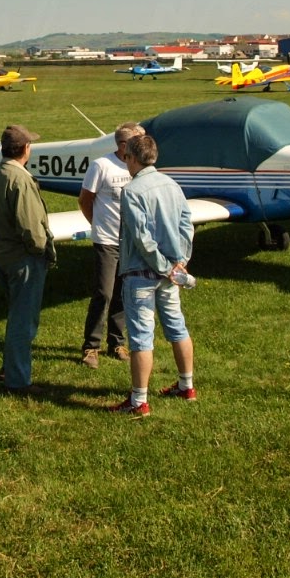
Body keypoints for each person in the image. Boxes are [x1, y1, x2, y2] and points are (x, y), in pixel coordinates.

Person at [110, 134, 196, 418]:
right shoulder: (172, 184)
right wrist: (180, 261)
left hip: (142, 275)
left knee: (141, 338)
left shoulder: (133, 191)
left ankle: (138, 401)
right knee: (177, 327)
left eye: (127, 158)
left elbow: (141, 238)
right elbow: (187, 223)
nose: (126, 163)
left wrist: (164, 266)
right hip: (171, 273)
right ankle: (186, 386)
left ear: (132, 159)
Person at [0, 125, 56, 392]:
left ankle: (9, 369)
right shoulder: (19, 179)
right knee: (23, 322)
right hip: (23, 260)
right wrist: (40, 252)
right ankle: (19, 381)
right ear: (24, 149)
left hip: (1, 255)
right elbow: (32, 229)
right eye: (30, 144)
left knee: (16, 316)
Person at [77, 121, 145, 368]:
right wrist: (97, 225)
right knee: (103, 293)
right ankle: (90, 347)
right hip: (106, 240)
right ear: (125, 144)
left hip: (131, 242)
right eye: (139, 139)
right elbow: (85, 200)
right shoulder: (101, 166)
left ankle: (117, 342)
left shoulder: (140, 166)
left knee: (123, 293)